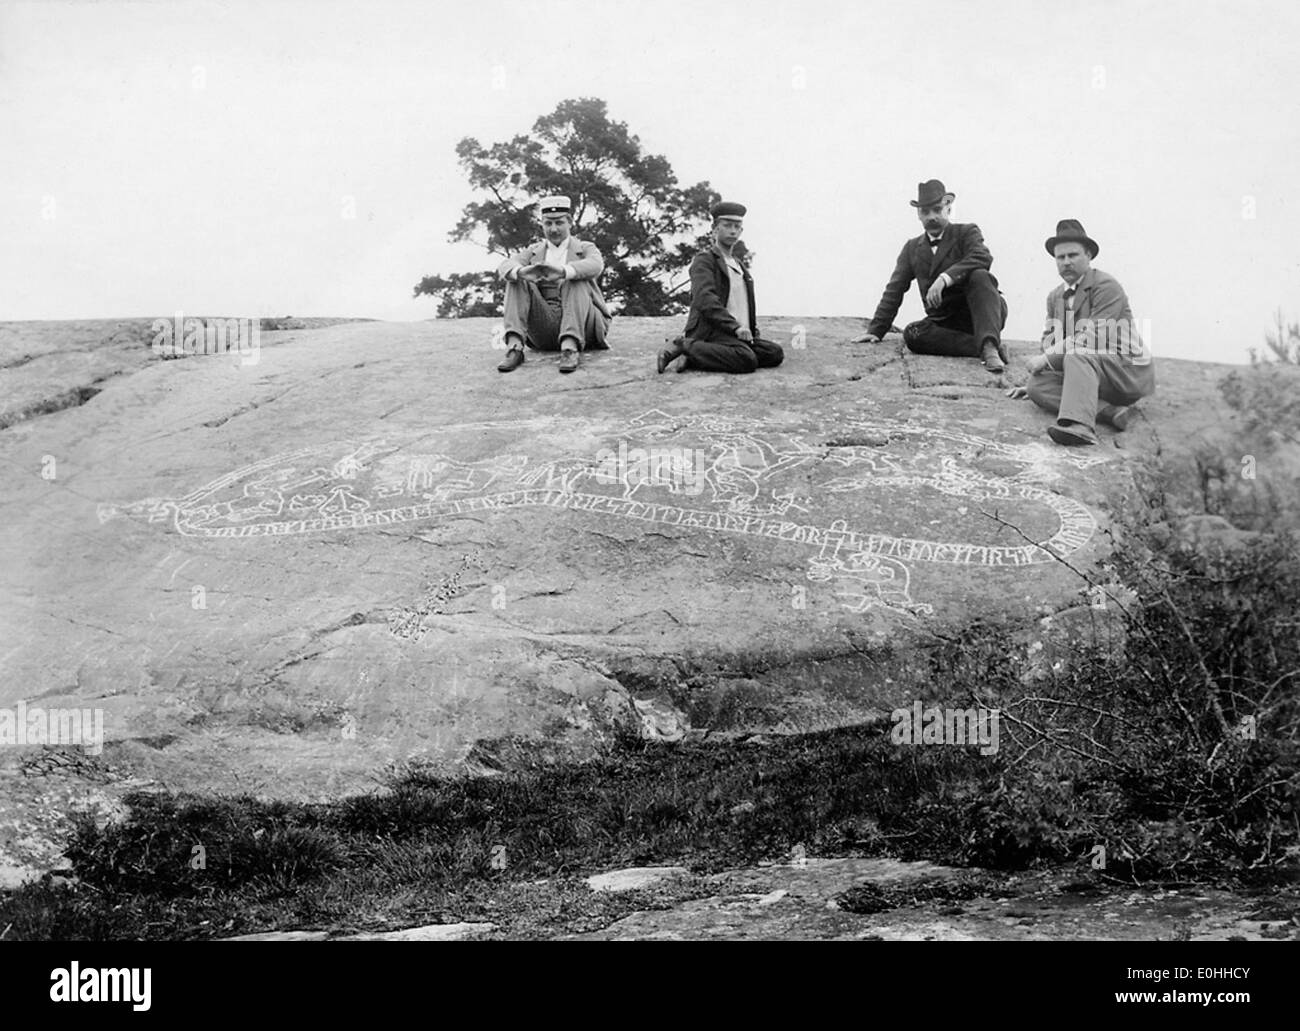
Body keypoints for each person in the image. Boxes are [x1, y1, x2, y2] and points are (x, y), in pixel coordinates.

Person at [1007, 219, 1154, 446]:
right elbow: (1049, 339)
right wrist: (1045, 370)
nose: (1066, 262)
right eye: (1060, 257)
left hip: (1123, 371)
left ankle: (1081, 428)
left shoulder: (1106, 286)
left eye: (1073, 255)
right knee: (1036, 386)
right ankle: (1111, 412)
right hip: (1087, 371)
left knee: (1078, 354)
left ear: (1089, 255)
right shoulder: (1055, 296)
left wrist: (1046, 359)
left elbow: (1094, 338)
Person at [853, 179, 1009, 373]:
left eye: (937, 209)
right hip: (945, 322)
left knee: (980, 275)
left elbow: (982, 256)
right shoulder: (911, 248)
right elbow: (894, 290)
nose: (932, 217)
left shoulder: (966, 232)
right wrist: (876, 330)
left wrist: (945, 278)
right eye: (925, 212)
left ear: (948, 208)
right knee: (912, 333)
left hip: (982, 313)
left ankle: (989, 346)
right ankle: (985, 347)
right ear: (918, 215)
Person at [657, 201, 784, 374]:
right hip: (714, 331)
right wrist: (734, 327)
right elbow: (705, 299)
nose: (733, 231)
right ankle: (682, 344)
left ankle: (696, 355)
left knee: (774, 353)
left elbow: (742, 304)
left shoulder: (738, 265)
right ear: (715, 229)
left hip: (735, 334)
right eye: (727, 225)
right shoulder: (705, 260)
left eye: (737, 226)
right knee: (746, 360)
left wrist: (750, 331)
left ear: (741, 231)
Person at [495, 195, 612, 374]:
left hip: (585, 326)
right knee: (515, 277)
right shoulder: (534, 251)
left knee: (574, 279)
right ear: (542, 224)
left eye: (559, 223)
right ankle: (515, 348)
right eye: (548, 223)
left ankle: (570, 349)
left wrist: (563, 271)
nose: (554, 229)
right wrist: (522, 272)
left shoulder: (585, 247)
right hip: (546, 326)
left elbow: (596, 265)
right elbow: (505, 265)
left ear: (569, 222)